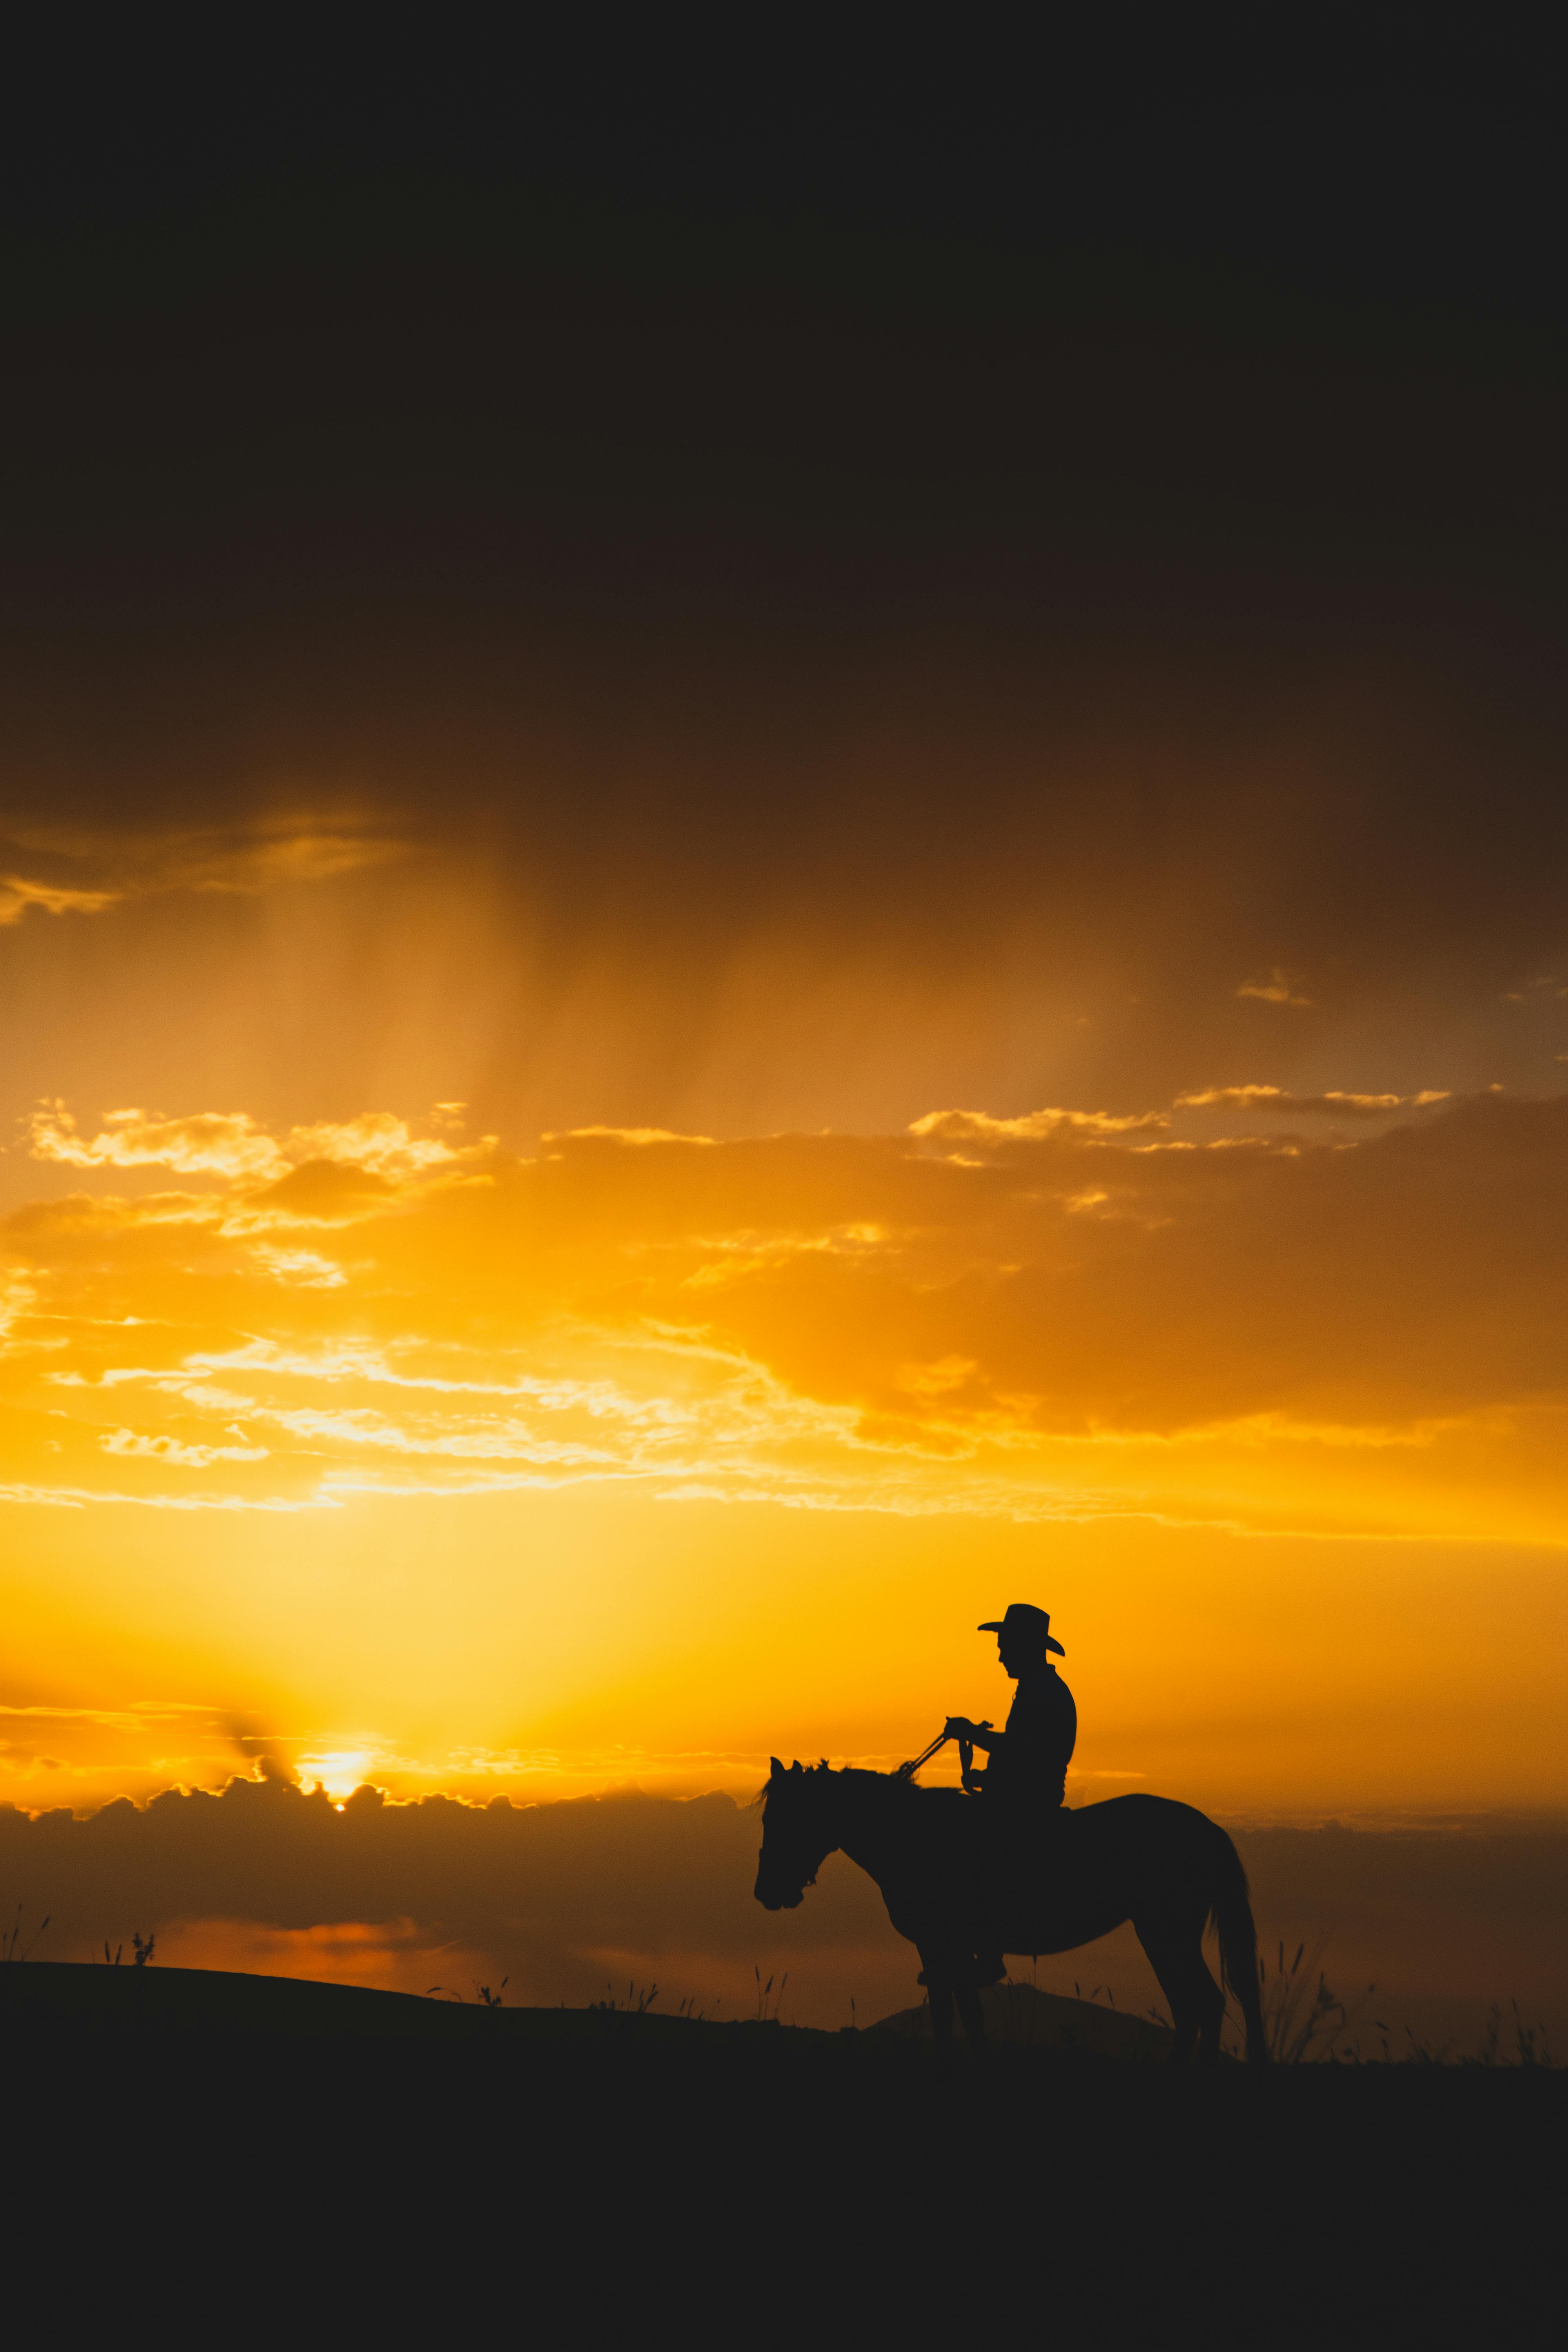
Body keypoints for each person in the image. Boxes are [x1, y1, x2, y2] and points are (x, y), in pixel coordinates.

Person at [944, 1602, 1076, 1982]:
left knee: (974, 1850)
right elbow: (1026, 1754)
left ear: (1023, 1646)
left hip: (1030, 1803)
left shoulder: (1040, 1693)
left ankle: (988, 1951)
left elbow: (1020, 1750)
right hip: (1028, 1794)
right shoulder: (1041, 1689)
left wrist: (971, 1734)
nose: (1000, 1655)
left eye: (1004, 1646)